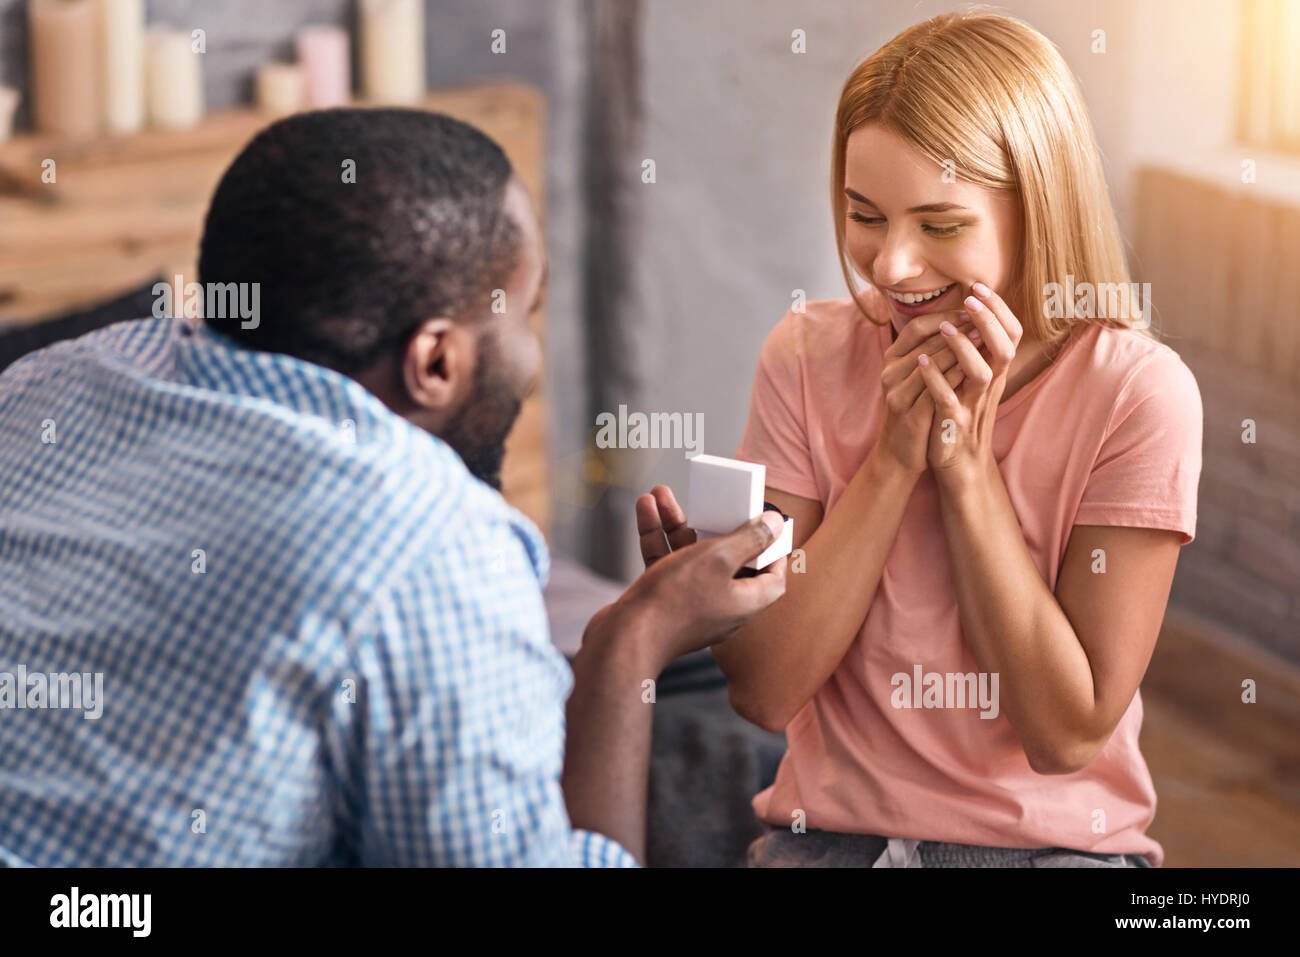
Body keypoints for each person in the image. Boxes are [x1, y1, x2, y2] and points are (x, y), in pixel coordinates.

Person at [0, 109, 786, 867]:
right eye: (525, 312)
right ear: (436, 361)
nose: (530, 352)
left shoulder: (53, 378)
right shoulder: (432, 544)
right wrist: (631, 644)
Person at [713, 12, 1202, 868]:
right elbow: (764, 686)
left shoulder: (1136, 392)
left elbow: (1064, 732)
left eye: (940, 226)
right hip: (831, 841)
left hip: (1054, 852)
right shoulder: (804, 353)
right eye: (865, 215)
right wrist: (895, 458)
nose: (892, 265)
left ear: (1038, 210)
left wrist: (967, 469)